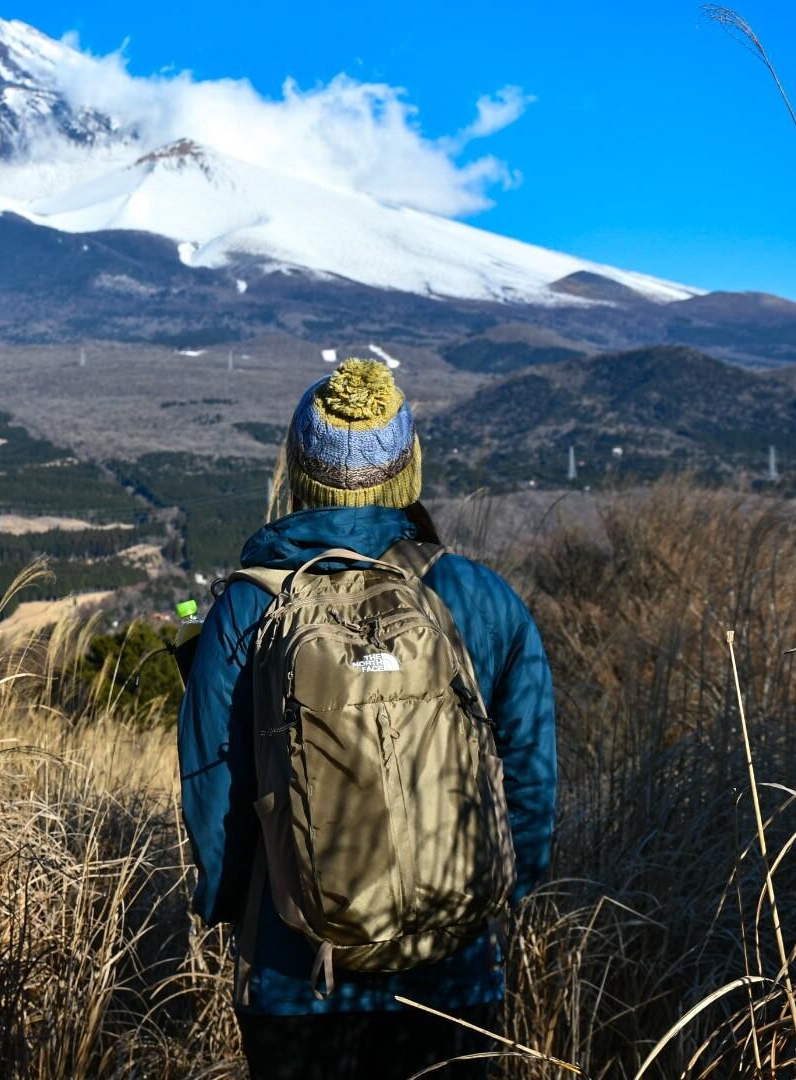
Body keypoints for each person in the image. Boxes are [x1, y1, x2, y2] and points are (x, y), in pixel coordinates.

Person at [178, 358, 557, 1079]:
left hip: (298, 975)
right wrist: (492, 897)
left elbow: (211, 795)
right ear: (409, 466)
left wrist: (242, 914)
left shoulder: (247, 609)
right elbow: (531, 786)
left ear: (298, 467)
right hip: (455, 973)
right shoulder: (480, 598)